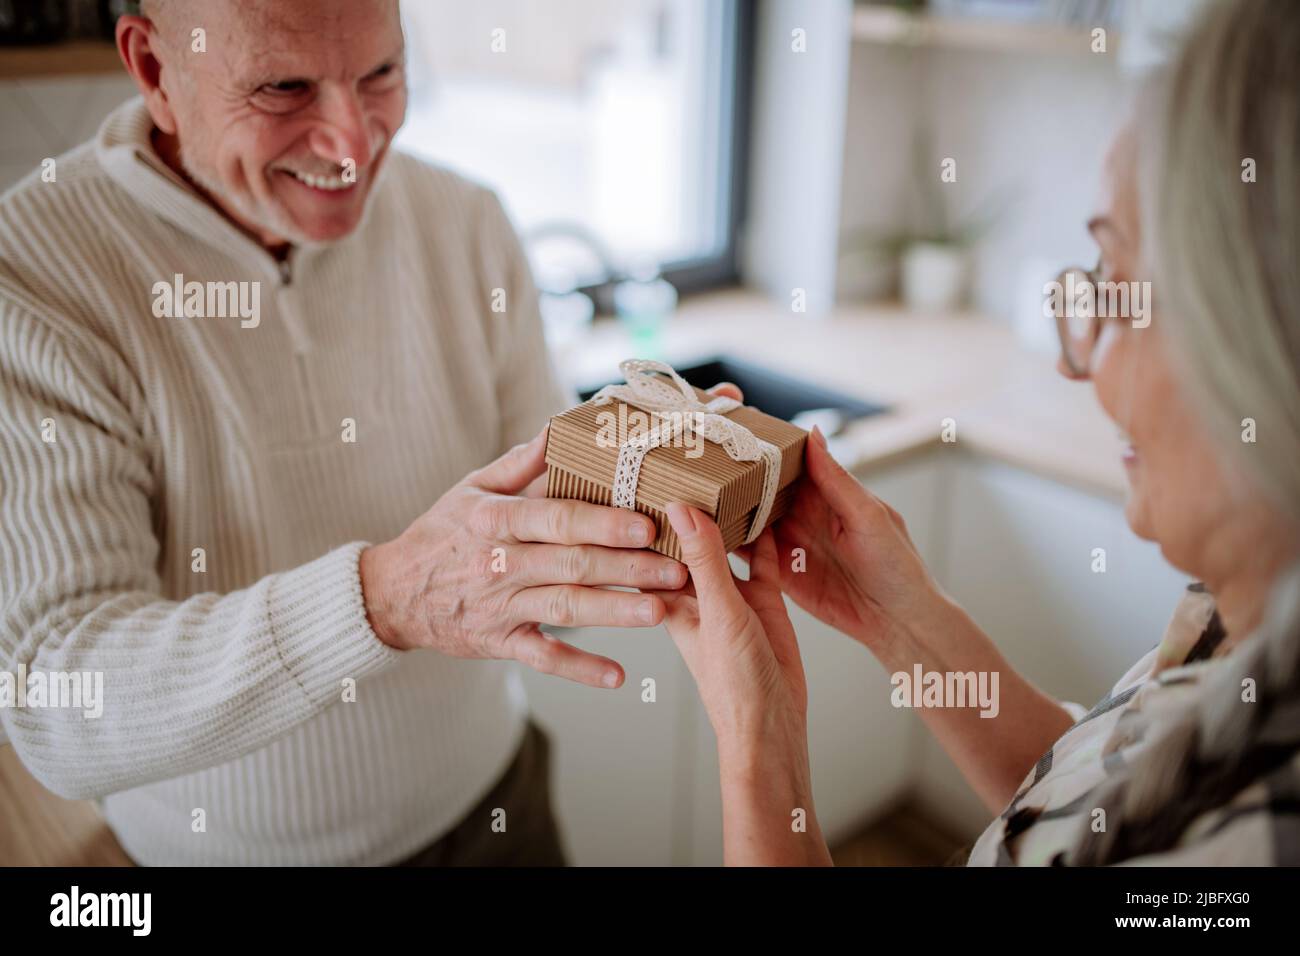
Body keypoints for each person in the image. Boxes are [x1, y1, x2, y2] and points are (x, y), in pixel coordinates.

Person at [0, 0, 696, 865]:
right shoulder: (33, 274)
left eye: (382, 75)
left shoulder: (468, 222)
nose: (350, 144)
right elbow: (56, 705)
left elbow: (549, 514)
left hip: (494, 812)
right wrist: (383, 601)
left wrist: (667, 491)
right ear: (154, 71)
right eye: (284, 87)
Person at [655, 0, 1300, 866]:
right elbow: (1085, 809)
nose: (1082, 365)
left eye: (1116, 288)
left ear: (1259, 333)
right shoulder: (1237, 621)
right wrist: (900, 620)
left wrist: (756, 737)